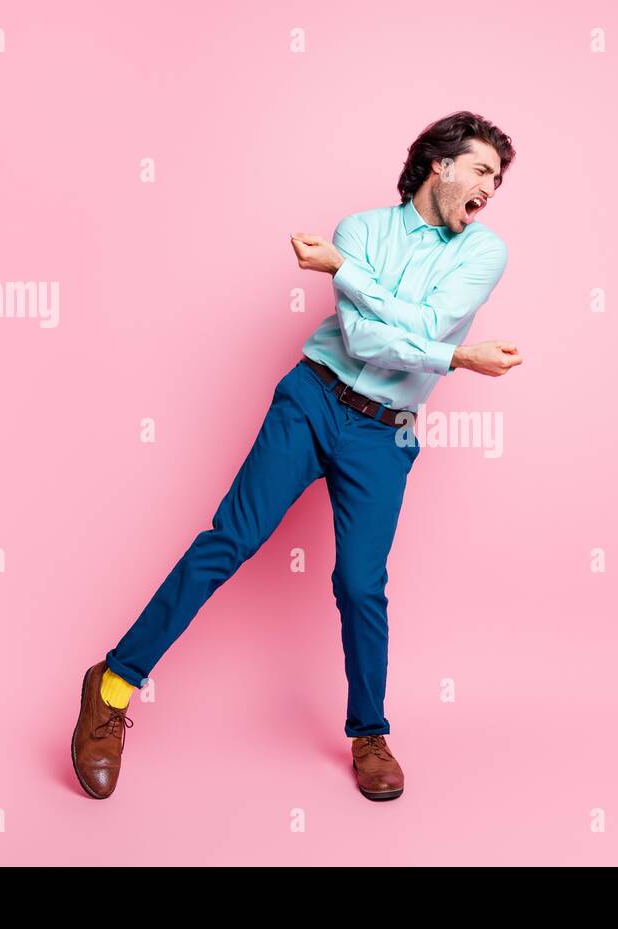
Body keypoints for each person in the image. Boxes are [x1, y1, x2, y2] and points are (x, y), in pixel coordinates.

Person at [72, 110, 521, 802]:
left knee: (361, 586)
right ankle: (112, 684)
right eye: (484, 170)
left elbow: (428, 325)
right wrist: (453, 356)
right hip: (312, 399)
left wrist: (352, 278)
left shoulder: (482, 251)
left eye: (499, 178)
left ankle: (369, 733)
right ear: (442, 163)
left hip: (386, 431)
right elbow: (368, 342)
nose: (492, 188)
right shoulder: (360, 231)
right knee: (229, 541)